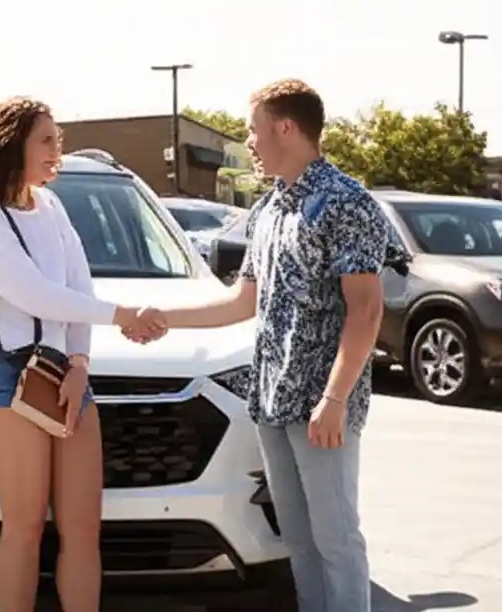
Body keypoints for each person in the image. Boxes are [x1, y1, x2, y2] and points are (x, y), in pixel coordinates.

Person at [134, 79, 388, 611]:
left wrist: (335, 399)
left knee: (337, 537)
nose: (248, 141)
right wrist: (162, 320)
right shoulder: (270, 208)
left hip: (323, 405)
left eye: (253, 129)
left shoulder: (347, 202)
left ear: (286, 128)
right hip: (271, 399)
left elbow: (366, 309)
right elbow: (239, 302)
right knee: (297, 538)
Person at [0, 96, 160, 612]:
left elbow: (76, 285)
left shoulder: (53, 206)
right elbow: (32, 293)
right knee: (23, 526)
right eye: (46, 138)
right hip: (6, 374)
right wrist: (122, 314)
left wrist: (80, 365)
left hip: (64, 372)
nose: (56, 148)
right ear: (10, 142)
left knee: (83, 528)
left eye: (58, 139)